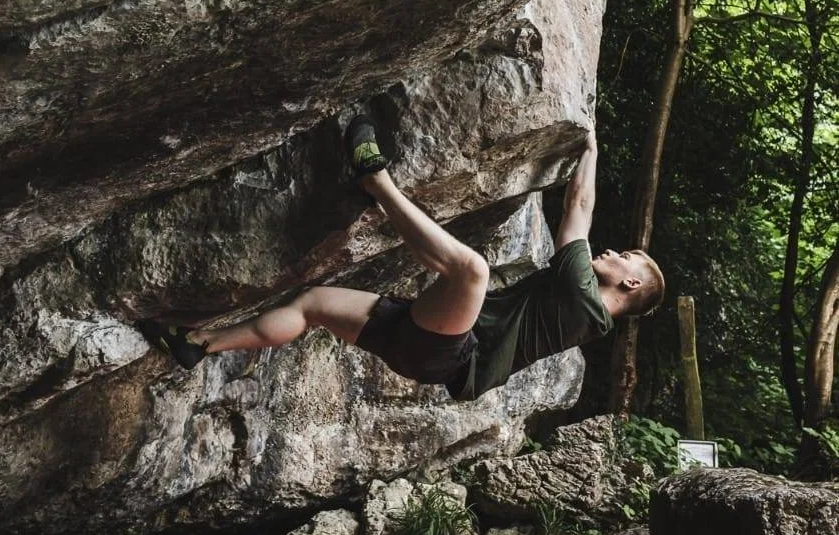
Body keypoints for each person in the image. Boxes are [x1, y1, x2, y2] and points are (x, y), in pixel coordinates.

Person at [137, 116, 664, 401]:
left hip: (450, 354)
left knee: (471, 270)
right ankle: (200, 344)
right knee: (312, 304)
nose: (615, 253)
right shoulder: (579, 317)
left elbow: (579, 205)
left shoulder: (582, 297)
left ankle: (375, 179)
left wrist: (591, 146)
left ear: (632, 286)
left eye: (628, 258)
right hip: (428, 353)